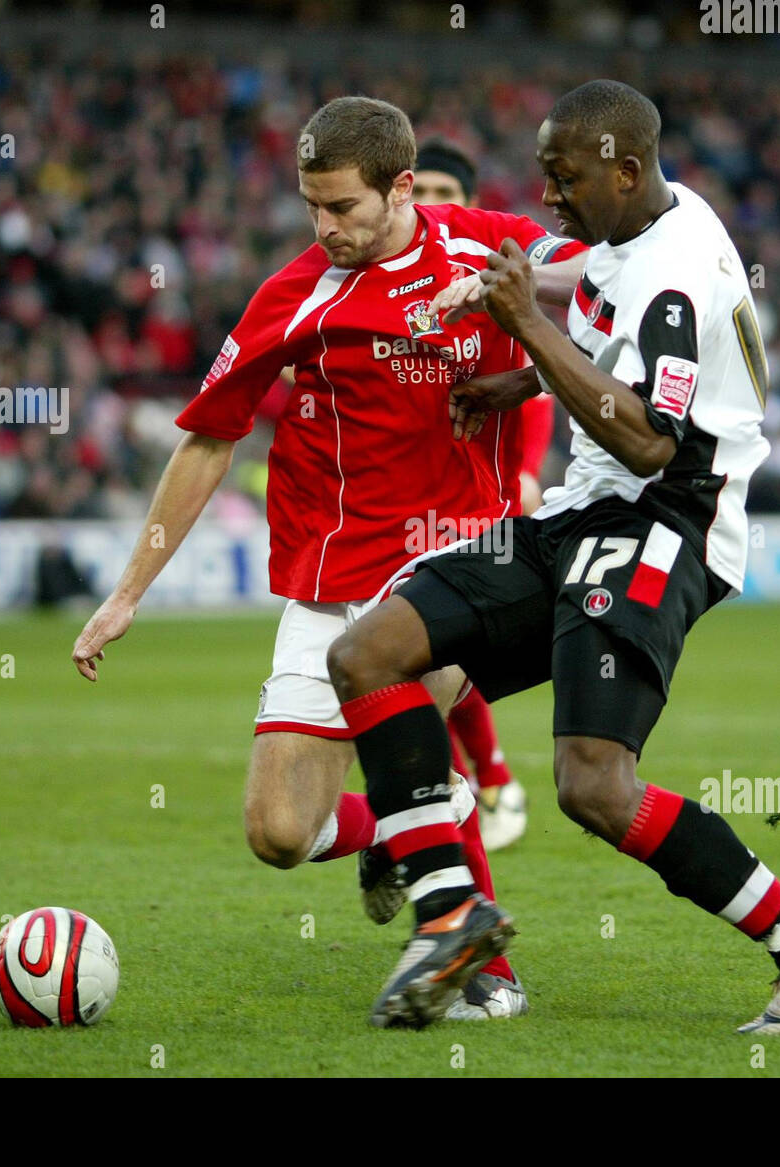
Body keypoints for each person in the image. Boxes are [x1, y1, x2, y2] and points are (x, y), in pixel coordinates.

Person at [327, 80, 780, 1033]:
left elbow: (654, 440)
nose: (547, 196)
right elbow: (606, 322)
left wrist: (525, 322)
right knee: (372, 654)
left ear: (624, 170)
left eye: (563, 175)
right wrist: (520, 379)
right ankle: (450, 906)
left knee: (592, 784)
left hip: (665, 519)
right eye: (544, 173)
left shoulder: (674, 271)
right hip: (584, 509)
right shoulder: (653, 221)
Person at [71, 96, 585, 1021]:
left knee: (411, 750)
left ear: (399, 188)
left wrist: (523, 359)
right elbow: (206, 440)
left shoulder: (492, 245)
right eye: (312, 205)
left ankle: (482, 967)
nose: (325, 226)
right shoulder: (298, 292)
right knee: (277, 833)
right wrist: (127, 593)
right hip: (329, 581)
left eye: (342, 207)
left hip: (453, 565)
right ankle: (403, 827)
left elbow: (607, 287)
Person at [413, 137, 543, 852]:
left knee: (431, 650)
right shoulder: (389, 273)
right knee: (419, 655)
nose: (429, 204)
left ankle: (474, 786)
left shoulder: (490, 272)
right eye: (419, 190)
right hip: (405, 491)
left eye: (443, 191)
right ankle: (475, 785)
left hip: (477, 490)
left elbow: (536, 371)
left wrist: (526, 466)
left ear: (467, 202)